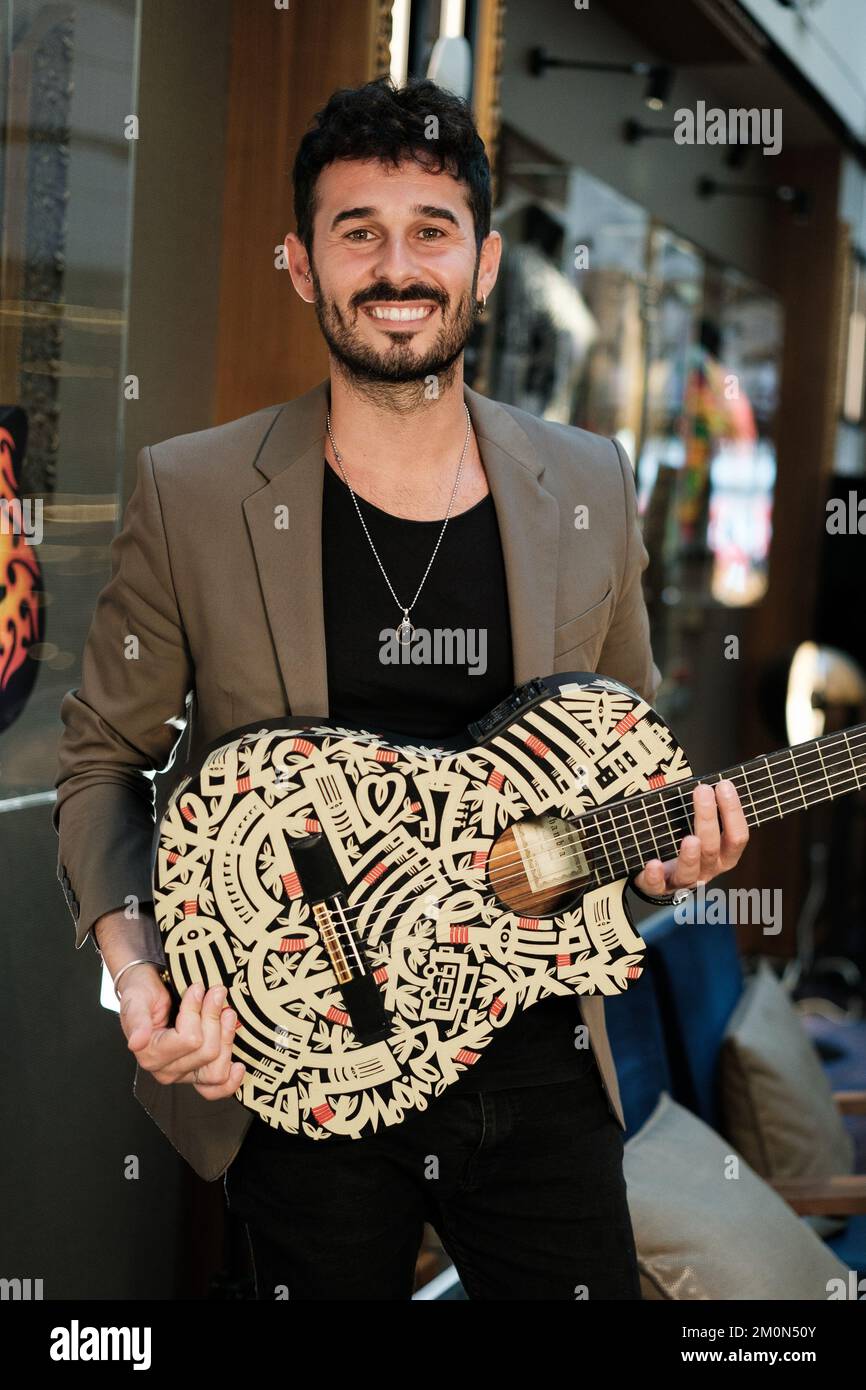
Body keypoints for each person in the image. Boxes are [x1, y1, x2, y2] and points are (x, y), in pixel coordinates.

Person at [53, 77, 749, 1301]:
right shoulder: (195, 491)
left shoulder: (588, 483)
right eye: (355, 230)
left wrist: (663, 858)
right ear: (300, 264)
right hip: (294, 1067)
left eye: (431, 229)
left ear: (483, 263)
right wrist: (137, 968)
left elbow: (631, 757)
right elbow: (104, 758)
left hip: (536, 1070)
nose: (396, 265)